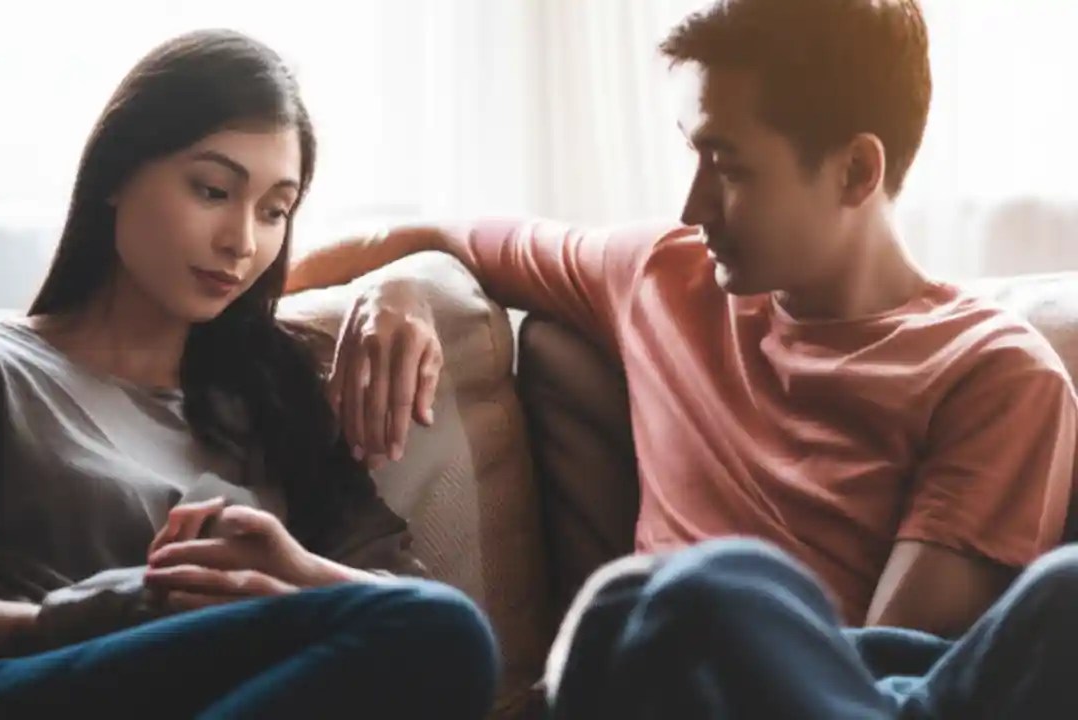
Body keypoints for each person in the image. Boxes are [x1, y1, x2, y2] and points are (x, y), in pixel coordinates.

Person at [284, 0, 1078, 717]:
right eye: (692, 157)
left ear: (856, 171)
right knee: (682, 599)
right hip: (651, 674)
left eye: (728, 167)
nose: (692, 208)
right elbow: (441, 233)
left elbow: (893, 676)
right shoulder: (659, 276)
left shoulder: (994, 374)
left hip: (814, 693)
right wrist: (396, 288)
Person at [0, 29, 497, 720]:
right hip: (10, 689)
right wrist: (130, 605)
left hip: (223, 688)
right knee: (442, 628)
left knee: (446, 629)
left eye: (274, 210)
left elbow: (403, 608)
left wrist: (288, 577)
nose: (242, 242)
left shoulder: (272, 393)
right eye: (212, 189)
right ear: (115, 174)